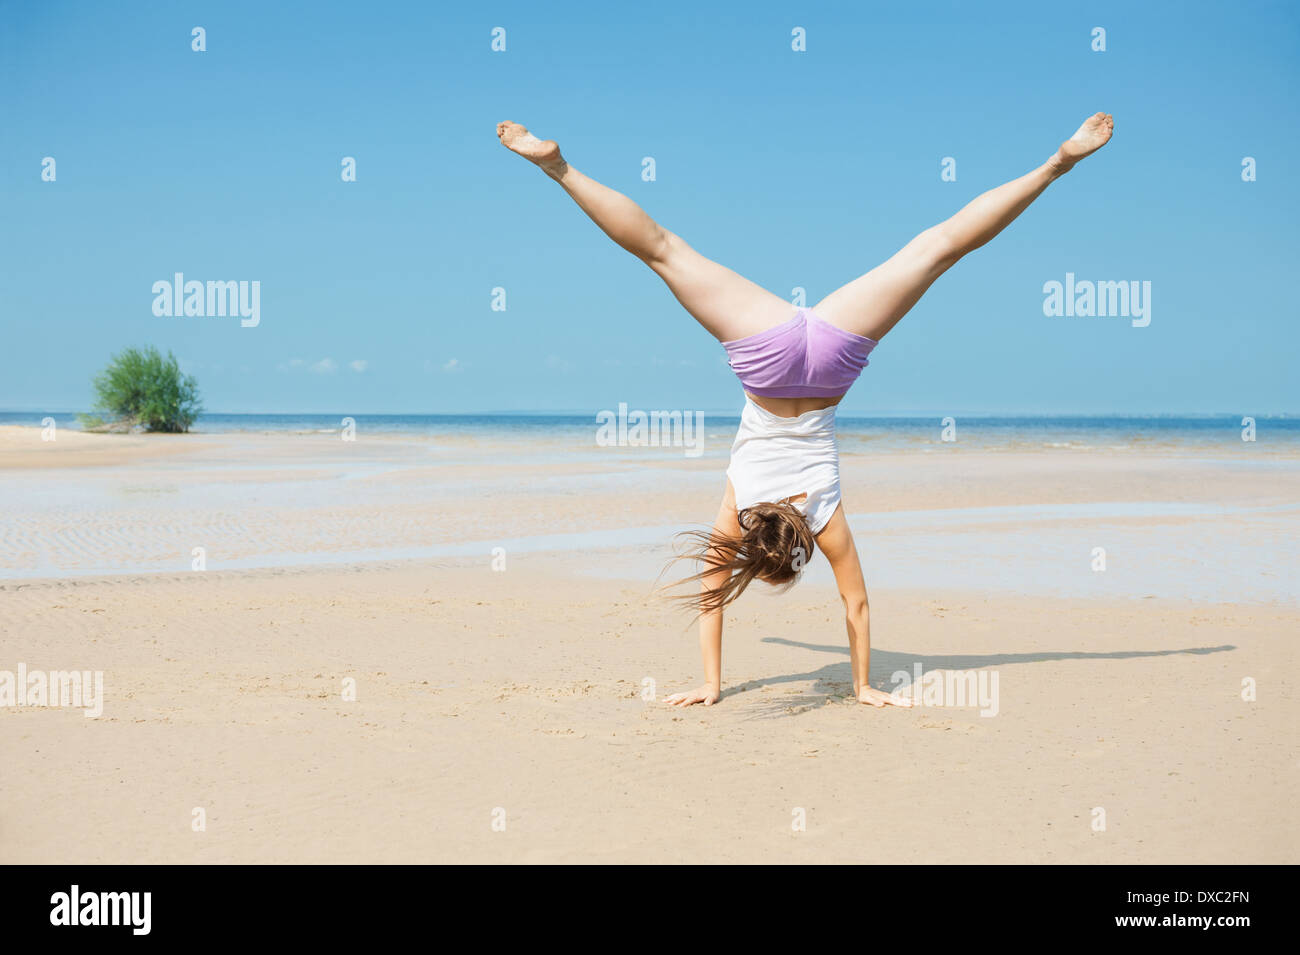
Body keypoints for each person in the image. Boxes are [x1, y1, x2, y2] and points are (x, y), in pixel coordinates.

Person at [497, 112, 1114, 708]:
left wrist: (862, 685)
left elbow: (857, 606)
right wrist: (712, 681)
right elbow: (712, 597)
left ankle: (1057, 165)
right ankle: (559, 169)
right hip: (764, 353)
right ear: (756, 547)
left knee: (938, 250)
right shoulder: (737, 511)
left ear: (796, 552)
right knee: (663, 251)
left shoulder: (824, 518)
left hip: (831, 363)